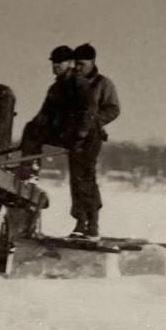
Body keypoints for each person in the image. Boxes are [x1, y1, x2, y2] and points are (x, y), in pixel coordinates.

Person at [67, 43, 120, 239]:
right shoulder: (73, 82)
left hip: (91, 137)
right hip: (74, 137)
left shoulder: (103, 84)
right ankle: (80, 221)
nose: (78, 68)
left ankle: (92, 223)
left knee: (86, 177)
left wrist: (94, 121)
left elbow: (113, 108)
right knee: (75, 178)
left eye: (81, 64)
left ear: (92, 62)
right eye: (76, 64)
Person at [18, 45, 89, 182]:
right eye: (53, 62)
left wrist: (82, 132)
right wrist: (32, 132)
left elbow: (88, 108)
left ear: (70, 63)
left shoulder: (79, 83)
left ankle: (30, 168)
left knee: (82, 179)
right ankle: (30, 168)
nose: (55, 65)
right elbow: (44, 113)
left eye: (59, 62)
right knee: (31, 128)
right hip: (61, 130)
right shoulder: (55, 88)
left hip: (76, 133)